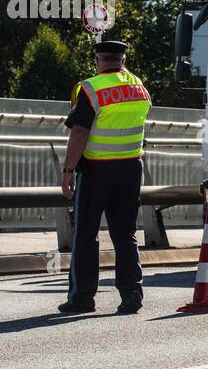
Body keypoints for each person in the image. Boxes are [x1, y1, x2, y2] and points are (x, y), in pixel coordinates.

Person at [57, 40, 151, 315]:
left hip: (97, 170)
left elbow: (79, 133)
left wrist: (68, 171)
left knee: (86, 234)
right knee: (125, 233)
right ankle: (132, 291)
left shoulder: (91, 88)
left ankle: (82, 298)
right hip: (131, 167)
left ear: (97, 59)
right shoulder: (138, 86)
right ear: (122, 60)